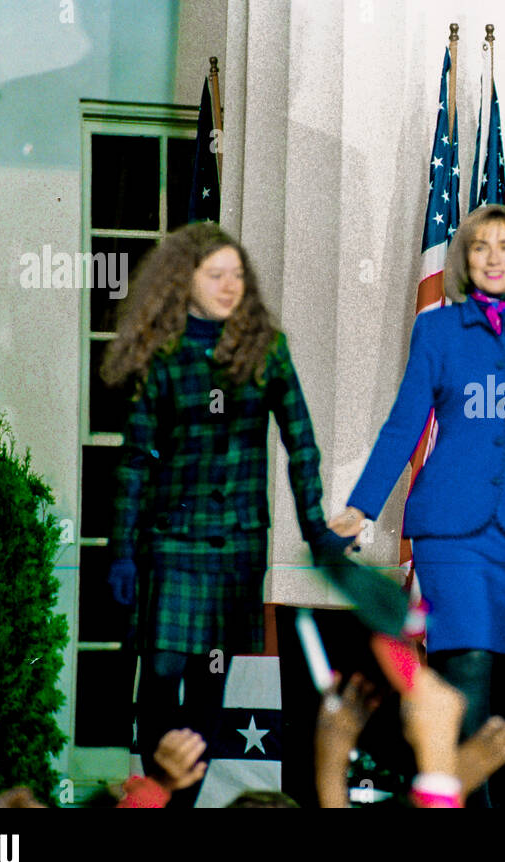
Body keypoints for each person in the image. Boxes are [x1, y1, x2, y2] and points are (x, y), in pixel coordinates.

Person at [101, 222, 350, 802]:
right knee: (161, 672)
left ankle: (181, 802)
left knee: (210, 681)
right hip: (172, 538)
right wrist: (121, 551)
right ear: (184, 280)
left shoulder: (268, 349)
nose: (230, 285)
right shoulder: (160, 356)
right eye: (216, 275)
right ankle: (159, 792)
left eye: (237, 274)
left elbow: (302, 443)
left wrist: (314, 525)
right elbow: (135, 459)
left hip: (236, 544)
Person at [328, 205, 505, 768]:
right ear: (465, 260)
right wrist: (360, 507)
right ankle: (460, 795)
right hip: (451, 532)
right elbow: (405, 423)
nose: (494, 257)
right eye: (480, 247)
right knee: (466, 669)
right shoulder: (437, 328)